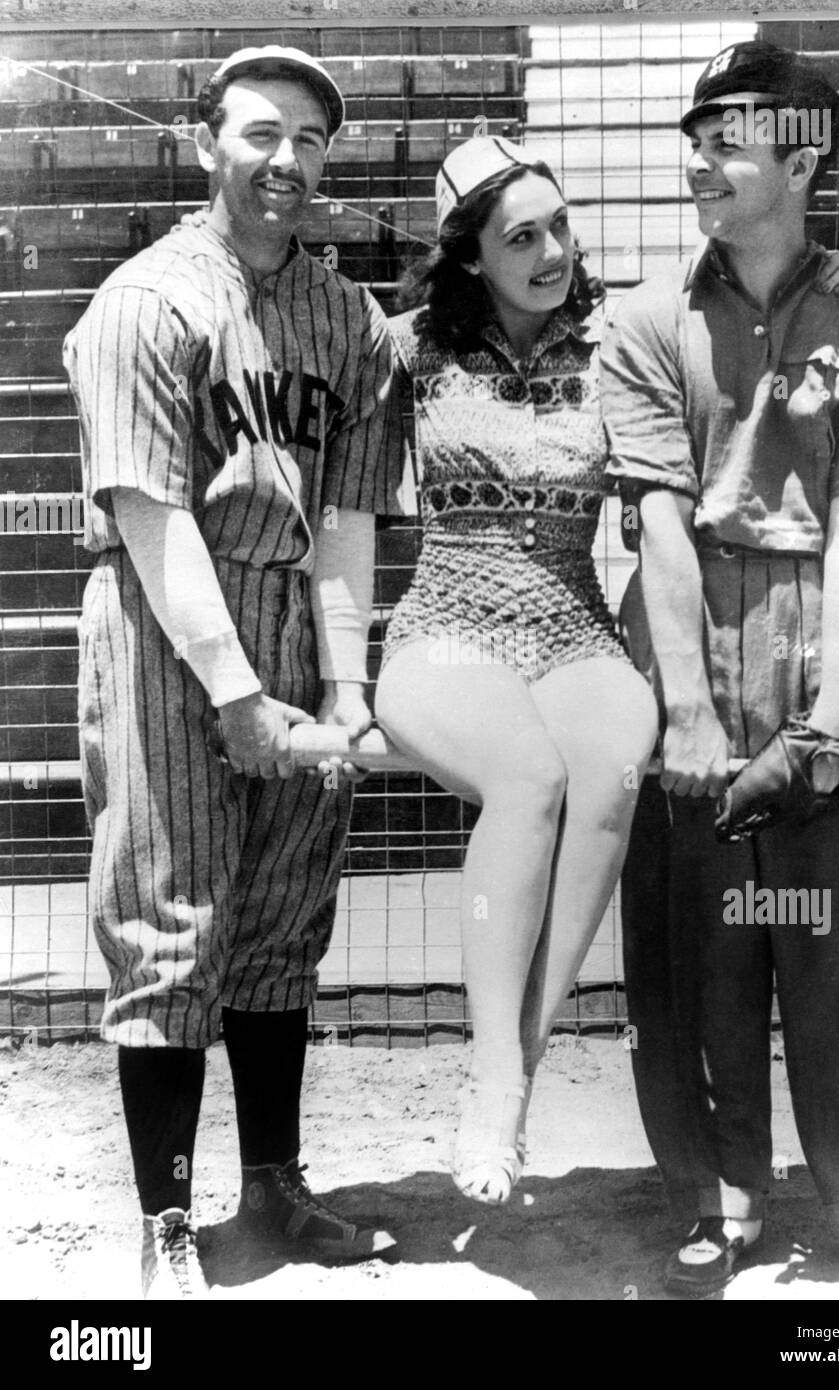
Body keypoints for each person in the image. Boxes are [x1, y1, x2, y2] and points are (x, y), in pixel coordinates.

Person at [373, 135, 839, 1207]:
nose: (553, 250)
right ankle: (497, 1076)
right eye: (521, 237)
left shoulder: (611, 346)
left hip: (570, 617)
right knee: (529, 778)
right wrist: (325, 676)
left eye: (560, 224)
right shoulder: (402, 348)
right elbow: (336, 509)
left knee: (607, 769)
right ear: (467, 257)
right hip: (444, 621)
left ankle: (514, 1068)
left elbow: (659, 505)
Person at [63, 45, 403, 1298]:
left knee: (277, 923)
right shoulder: (145, 301)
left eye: (311, 140)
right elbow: (151, 519)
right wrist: (234, 689)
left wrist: (345, 682)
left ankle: (274, 1189)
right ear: (204, 141)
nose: (287, 162)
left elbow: (352, 517)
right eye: (261, 133)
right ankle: (163, 1217)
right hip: (167, 622)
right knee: (171, 916)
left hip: (297, 612)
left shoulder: (347, 316)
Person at [600, 40, 839, 1300]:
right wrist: (684, 706)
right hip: (689, 623)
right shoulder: (642, 321)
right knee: (701, 935)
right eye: (695, 135)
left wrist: (833, 718)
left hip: (818, 628)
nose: (699, 158)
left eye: (727, 139)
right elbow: (660, 521)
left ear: (801, 157)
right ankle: (716, 1195)